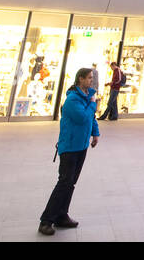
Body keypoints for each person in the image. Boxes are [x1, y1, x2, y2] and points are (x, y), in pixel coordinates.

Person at [39, 67, 100, 235]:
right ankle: (46, 220)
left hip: (81, 146)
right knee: (64, 182)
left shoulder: (86, 98)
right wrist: (94, 104)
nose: (91, 81)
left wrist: (95, 133)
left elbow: (91, 118)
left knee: (71, 183)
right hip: (70, 147)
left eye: (92, 78)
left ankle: (61, 215)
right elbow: (82, 117)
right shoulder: (73, 100)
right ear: (80, 79)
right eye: (88, 78)